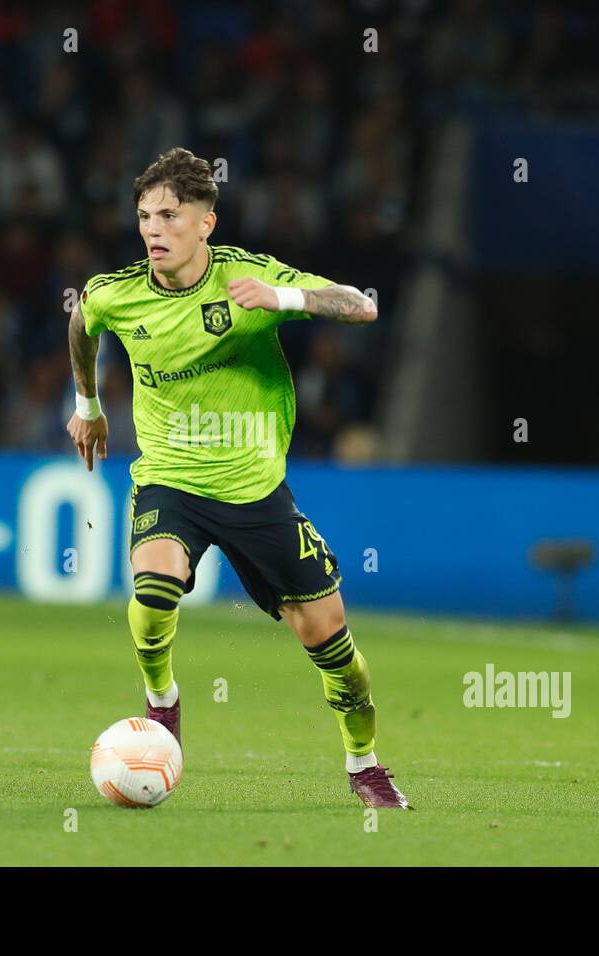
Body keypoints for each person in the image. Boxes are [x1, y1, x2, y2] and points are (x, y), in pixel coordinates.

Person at [65, 148, 408, 808]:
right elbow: (83, 321)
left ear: (206, 223)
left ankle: (363, 763)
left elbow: (360, 307)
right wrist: (88, 406)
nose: (154, 229)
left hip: (256, 493)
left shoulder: (247, 278)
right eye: (144, 216)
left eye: (170, 215)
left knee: (336, 652)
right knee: (155, 585)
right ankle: (162, 698)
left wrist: (284, 296)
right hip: (171, 479)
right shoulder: (119, 292)